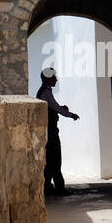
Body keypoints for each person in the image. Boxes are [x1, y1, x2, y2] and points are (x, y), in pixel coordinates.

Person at [36, 67, 79, 196]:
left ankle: (48, 187)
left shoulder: (45, 91)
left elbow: (54, 106)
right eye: (54, 77)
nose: (56, 79)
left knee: (51, 161)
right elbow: (55, 107)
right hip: (51, 133)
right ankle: (59, 188)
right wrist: (70, 114)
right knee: (55, 160)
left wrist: (61, 108)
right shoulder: (45, 92)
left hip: (49, 131)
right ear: (48, 79)